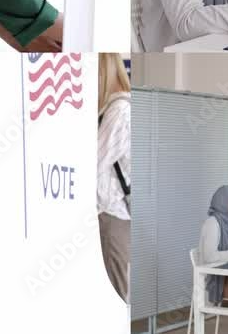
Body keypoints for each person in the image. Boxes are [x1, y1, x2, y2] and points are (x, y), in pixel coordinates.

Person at [97, 53, 130, 303]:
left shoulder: (118, 111)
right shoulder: (121, 108)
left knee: (117, 293)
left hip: (113, 215)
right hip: (118, 215)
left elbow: (95, 161)